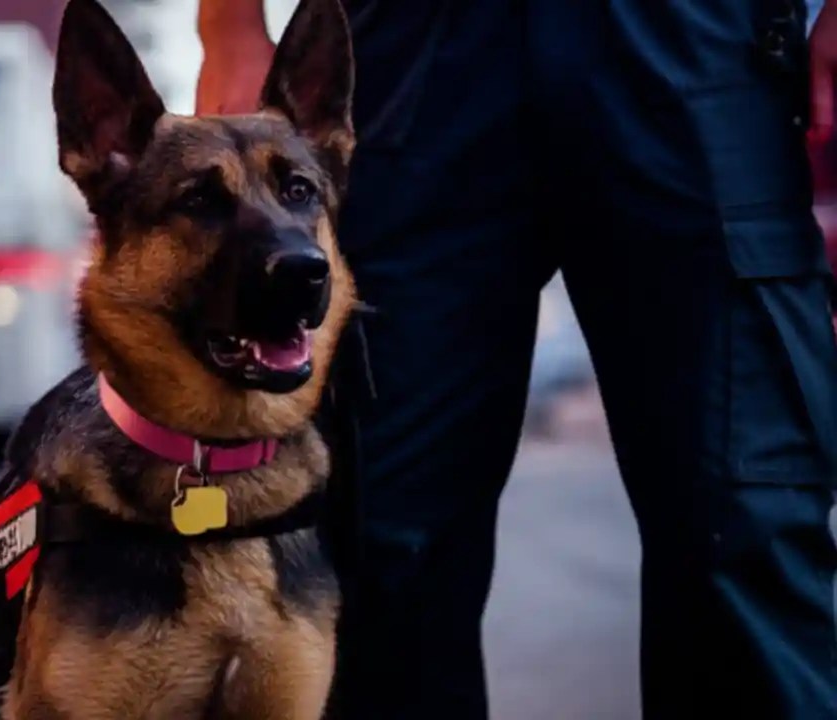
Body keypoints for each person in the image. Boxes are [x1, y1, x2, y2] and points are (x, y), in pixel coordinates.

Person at [197, 0, 837, 718]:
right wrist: (230, 25)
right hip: (414, 62)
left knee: (745, 534)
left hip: (694, 43)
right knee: (377, 553)